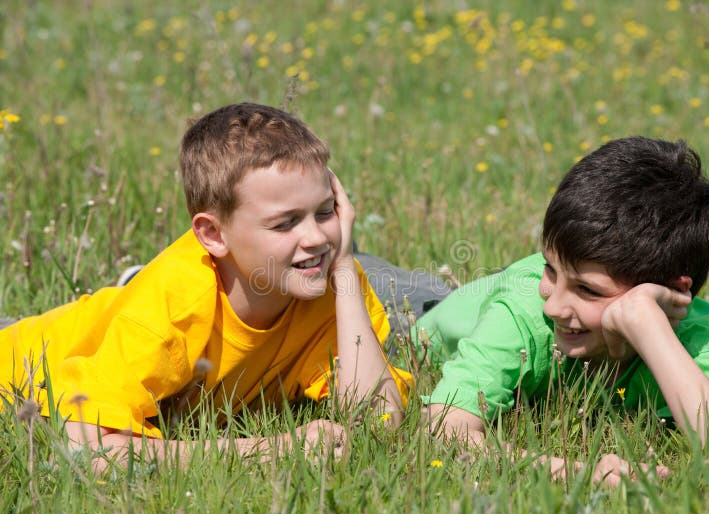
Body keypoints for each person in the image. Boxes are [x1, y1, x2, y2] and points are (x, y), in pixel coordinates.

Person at [0, 103, 411, 465]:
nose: (317, 238)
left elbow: (379, 420)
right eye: (285, 222)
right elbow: (87, 450)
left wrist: (343, 266)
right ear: (213, 235)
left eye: (325, 212)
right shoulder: (176, 300)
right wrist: (272, 448)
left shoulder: (330, 282)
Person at [418, 137, 709, 485]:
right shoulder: (525, 310)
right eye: (551, 270)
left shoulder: (703, 336)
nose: (553, 305)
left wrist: (651, 330)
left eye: (587, 290)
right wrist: (581, 474)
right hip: (408, 313)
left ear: (672, 292)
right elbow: (444, 432)